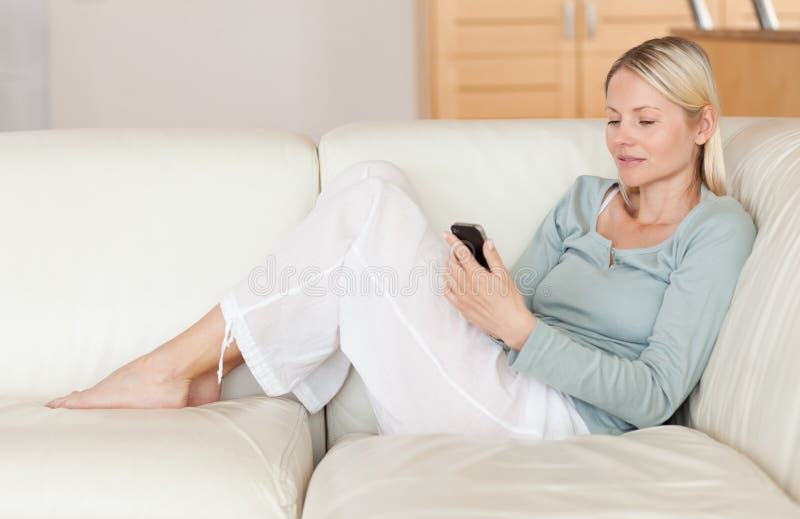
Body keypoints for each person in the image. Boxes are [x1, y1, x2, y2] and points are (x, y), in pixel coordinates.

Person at [44, 36, 756, 439]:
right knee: (372, 182)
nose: (622, 139)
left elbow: (657, 393)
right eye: (612, 118)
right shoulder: (582, 199)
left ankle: (178, 370)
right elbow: (518, 302)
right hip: (498, 372)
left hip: (558, 421)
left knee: (369, 208)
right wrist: (476, 292)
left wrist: (520, 331)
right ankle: (200, 371)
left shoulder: (715, 230)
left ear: (701, 126)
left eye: (645, 120)